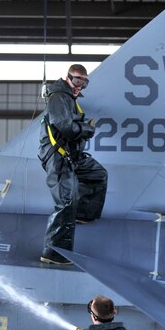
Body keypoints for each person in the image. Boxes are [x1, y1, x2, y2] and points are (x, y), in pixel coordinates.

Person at [38, 64, 108, 265]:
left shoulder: (70, 99)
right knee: (66, 202)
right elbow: (65, 127)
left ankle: (83, 214)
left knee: (97, 174)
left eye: (84, 83)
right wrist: (86, 129)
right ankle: (54, 254)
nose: (79, 86)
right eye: (77, 81)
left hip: (72, 154)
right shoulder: (59, 97)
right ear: (67, 78)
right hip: (58, 157)